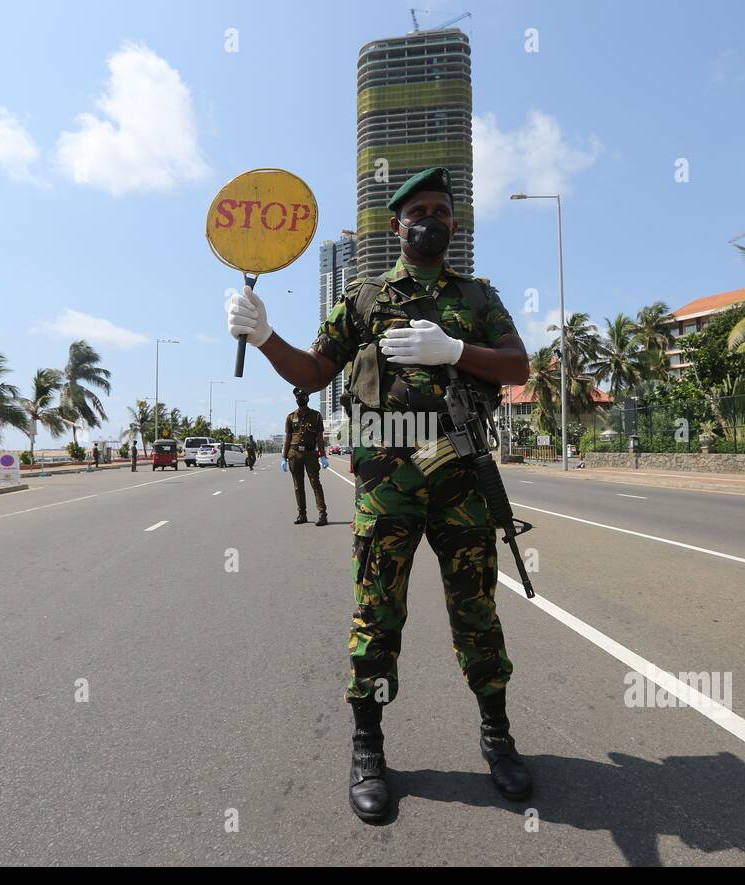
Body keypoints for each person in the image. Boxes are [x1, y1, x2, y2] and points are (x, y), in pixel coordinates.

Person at [226, 166, 532, 823]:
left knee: (477, 611)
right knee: (377, 616)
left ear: (454, 223)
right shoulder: (364, 300)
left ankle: (497, 737)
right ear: (396, 225)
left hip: (458, 470)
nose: (431, 218)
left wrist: (454, 349)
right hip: (387, 476)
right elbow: (313, 370)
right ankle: (368, 747)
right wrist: (263, 335)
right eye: (418, 209)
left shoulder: (478, 298)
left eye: (441, 210)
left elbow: (518, 365)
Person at [283, 387, 328, 526]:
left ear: (308, 398)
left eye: (303, 396)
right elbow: (288, 438)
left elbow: (320, 438)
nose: (300, 399)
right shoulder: (290, 417)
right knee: (298, 486)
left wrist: (323, 455)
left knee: (315, 483)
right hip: (294, 453)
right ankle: (302, 514)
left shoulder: (316, 416)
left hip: (310, 453)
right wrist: (284, 457)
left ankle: (322, 515)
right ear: (295, 399)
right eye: (298, 397)